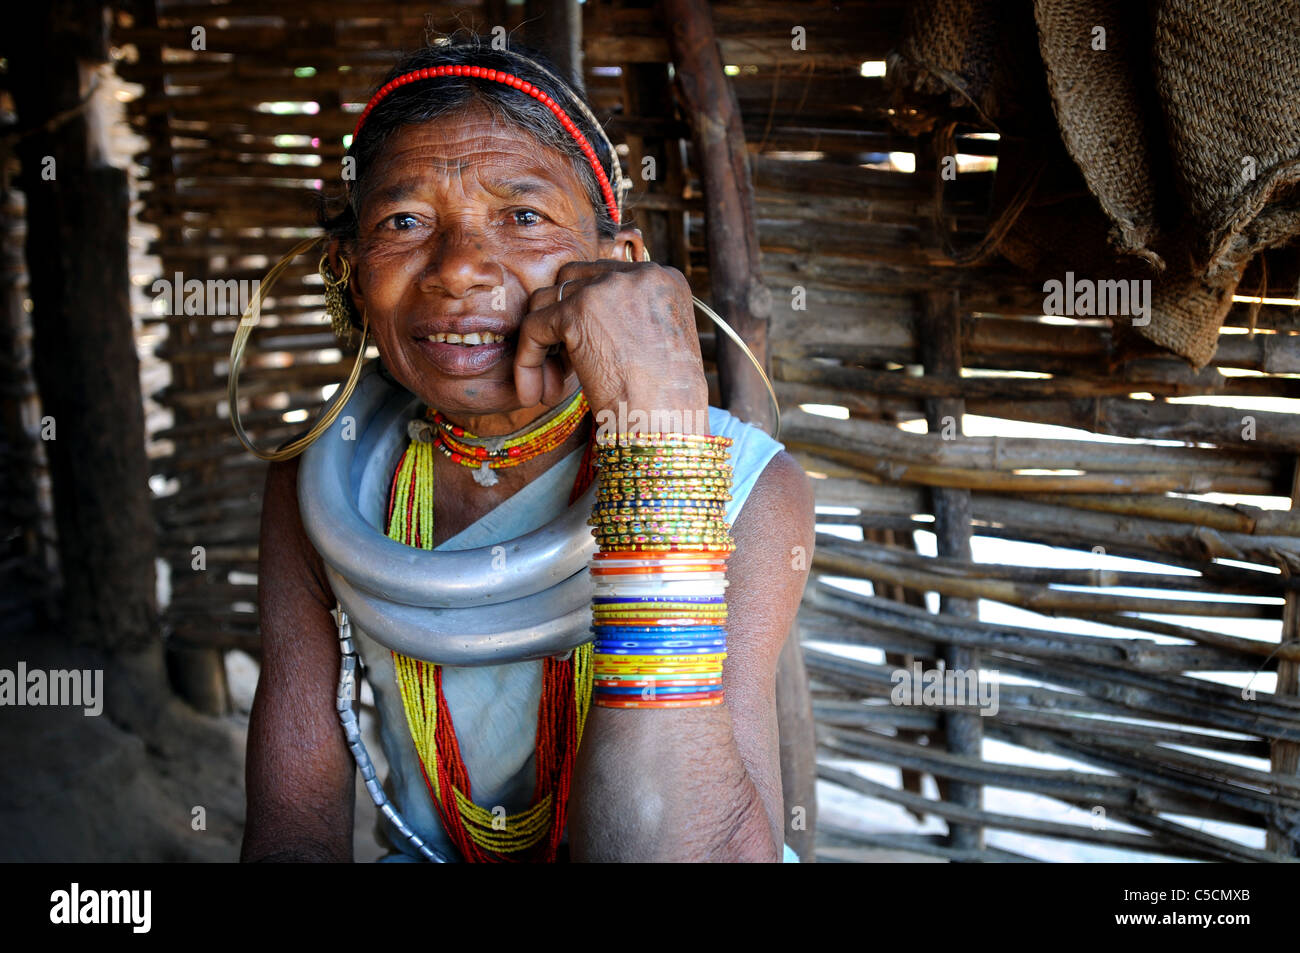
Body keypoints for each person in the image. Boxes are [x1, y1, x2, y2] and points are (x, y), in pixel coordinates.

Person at [238, 36, 815, 863]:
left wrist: (656, 435)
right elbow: (293, 826)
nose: (461, 268)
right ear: (350, 274)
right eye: (405, 222)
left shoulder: (749, 490)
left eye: (522, 215)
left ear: (618, 266)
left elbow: (703, 849)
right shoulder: (325, 485)